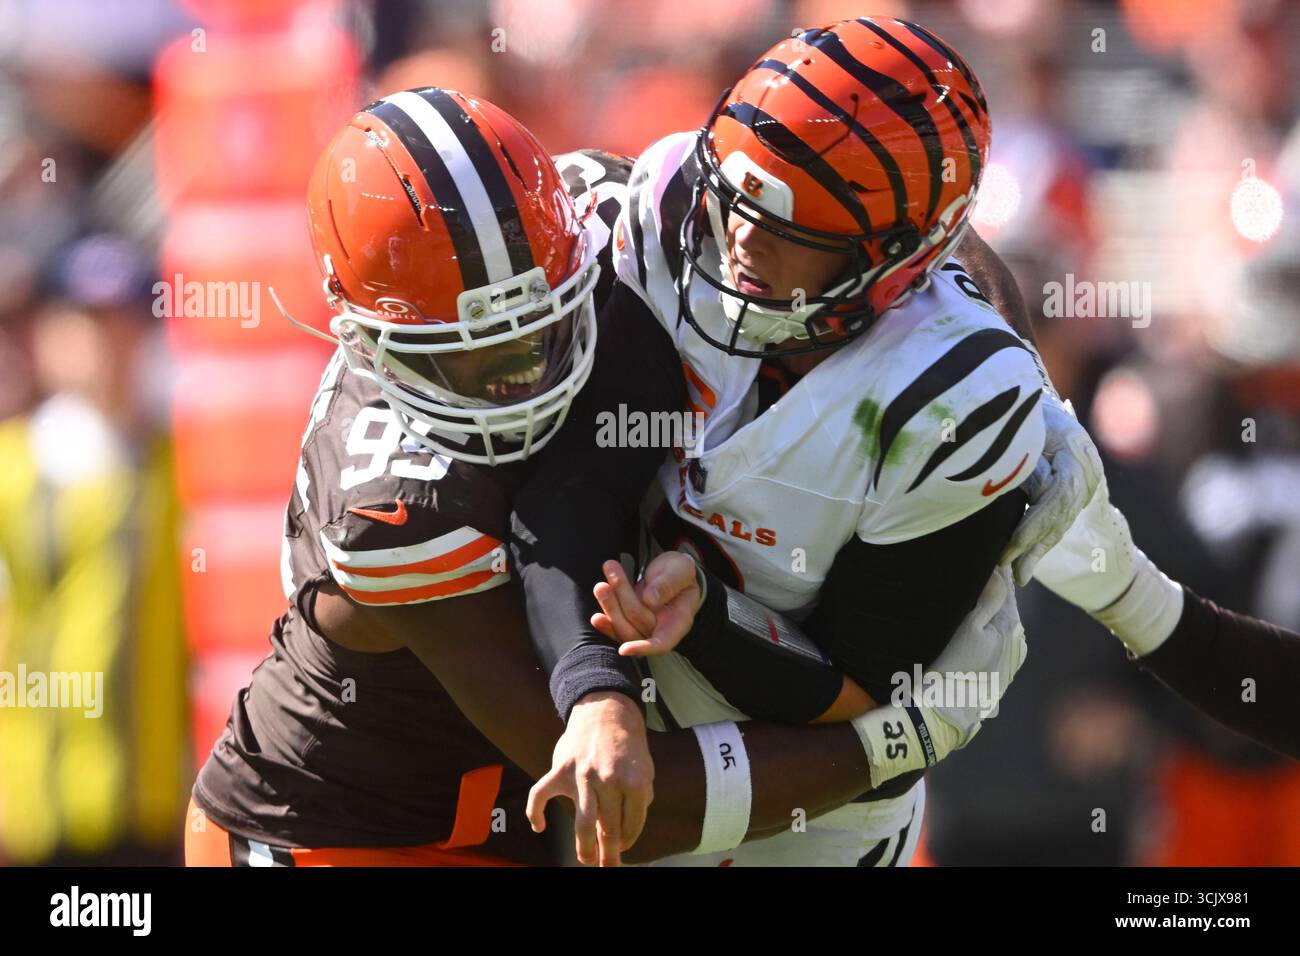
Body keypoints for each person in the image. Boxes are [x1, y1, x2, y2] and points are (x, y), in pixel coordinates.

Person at [185, 87, 1031, 867]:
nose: (518, 380)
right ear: (368, 340)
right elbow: (628, 802)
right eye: (469, 361)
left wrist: (1006, 374)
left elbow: (861, 213)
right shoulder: (398, 507)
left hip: (500, 829)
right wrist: (897, 742)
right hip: (333, 835)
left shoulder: (611, 209)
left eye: (539, 331)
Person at [513, 17, 1102, 866]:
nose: (742, 238)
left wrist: (712, 620)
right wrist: (595, 688)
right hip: (625, 738)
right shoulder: (678, 211)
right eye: (739, 199)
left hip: (812, 811)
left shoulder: (955, 396)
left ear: (896, 259)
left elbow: (862, 682)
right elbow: (575, 486)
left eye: (792, 229)